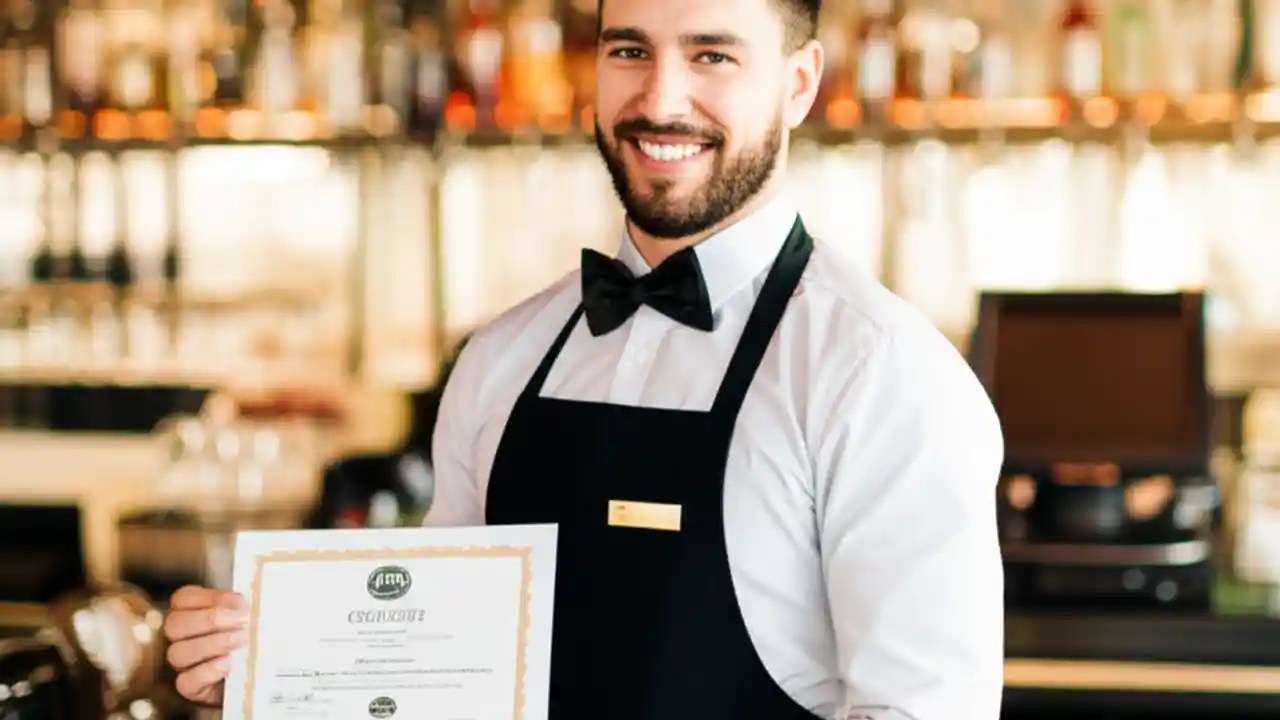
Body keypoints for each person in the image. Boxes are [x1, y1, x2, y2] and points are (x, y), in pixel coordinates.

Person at [161, 0, 1006, 717]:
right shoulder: (501, 358)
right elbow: (427, 680)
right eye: (629, 51)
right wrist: (273, 672)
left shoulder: (882, 376)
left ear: (798, 82)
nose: (660, 97)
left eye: (712, 55)